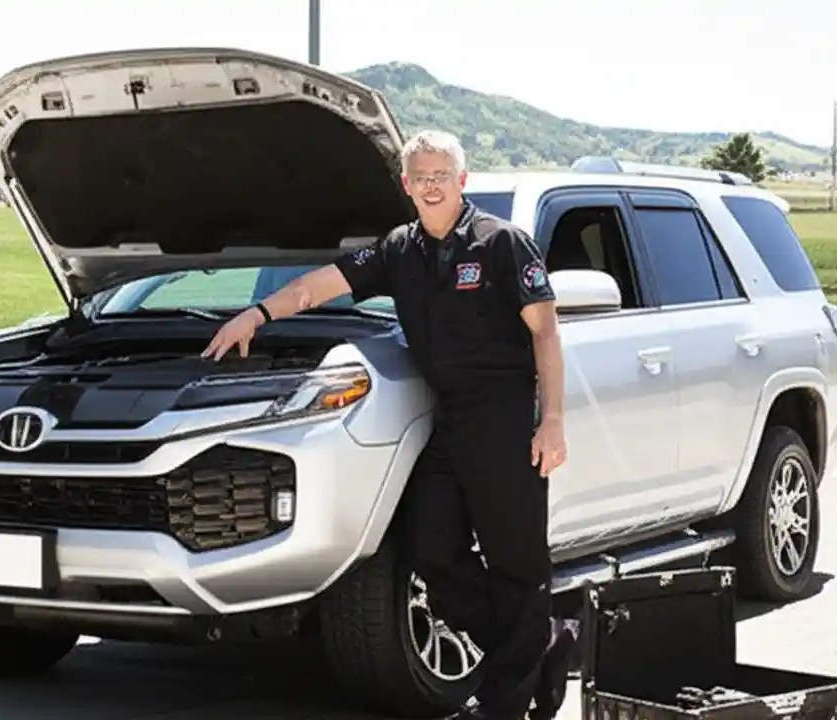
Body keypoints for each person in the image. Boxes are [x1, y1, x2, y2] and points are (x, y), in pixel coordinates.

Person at [201, 130, 578, 719]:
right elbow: (318, 286)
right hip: (449, 419)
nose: (430, 186)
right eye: (419, 176)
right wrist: (257, 312)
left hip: (506, 419)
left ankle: (503, 703)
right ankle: (543, 641)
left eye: (440, 175)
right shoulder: (398, 249)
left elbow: (546, 334)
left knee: (517, 564)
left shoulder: (502, 244)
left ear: (462, 180)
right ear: (406, 184)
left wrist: (551, 420)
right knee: (430, 548)